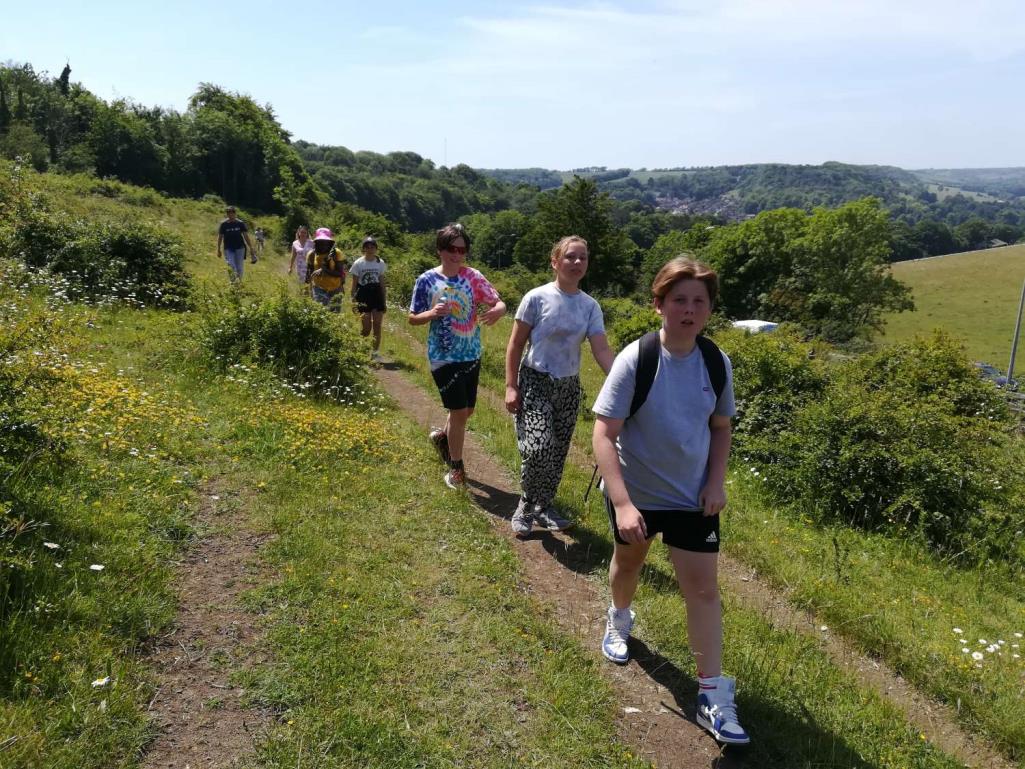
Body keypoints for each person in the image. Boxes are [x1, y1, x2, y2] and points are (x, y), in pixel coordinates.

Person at [591, 256, 749, 746]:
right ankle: (619, 619)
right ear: (659, 304)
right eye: (679, 299)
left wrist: (715, 483)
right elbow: (603, 433)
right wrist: (621, 504)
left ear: (708, 310)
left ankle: (711, 693)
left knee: (703, 590)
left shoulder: (715, 361)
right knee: (630, 563)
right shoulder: (636, 359)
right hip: (636, 494)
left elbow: (720, 429)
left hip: (691, 500)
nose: (689, 309)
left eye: (699, 301)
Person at [504, 235, 614, 536]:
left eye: (583, 257)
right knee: (538, 447)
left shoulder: (590, 306)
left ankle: (545, 506)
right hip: (534, 380)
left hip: (568, 386)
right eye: (570, 257)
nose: (577, 262)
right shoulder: (536, 297)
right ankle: (526, 505)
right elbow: (515, 344)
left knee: (557, 451)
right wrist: (511, 386)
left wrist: (622, 379)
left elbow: (601, 349)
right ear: (555, 262)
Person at [409, 223, 505, 489]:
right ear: (440, 249)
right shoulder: (427, 280)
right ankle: (456, 469)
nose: (458, 254)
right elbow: (413, 318)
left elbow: (497, 301)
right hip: (443, 356)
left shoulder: (473, 276)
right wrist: (431, 314)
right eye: (452, 248)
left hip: (471, 353)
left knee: (467, 410)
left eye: (463, 249)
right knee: (459, 411)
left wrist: (499, 309)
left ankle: (442, 438)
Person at [350, 236, 388, 361]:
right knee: (366, 328)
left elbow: (382, 282)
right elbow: (354, 284)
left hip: (376, 295)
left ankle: (375, 353)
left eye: (372, 247)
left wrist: (384, 300)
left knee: (377, 325)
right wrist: (353, 301)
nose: (370, 249)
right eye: (367, 247)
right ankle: (358, 348)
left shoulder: (380, 262)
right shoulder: (358, 263)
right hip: (363, 295)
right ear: (364, 249)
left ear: (376, 249)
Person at [308, 227, 347, 312]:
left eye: (325, 243)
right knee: (321, 313)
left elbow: (340, 273)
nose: (323, 245)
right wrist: (309, 290)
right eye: (320, 242)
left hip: (335, 288)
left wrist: (324, 270)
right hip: (319, 288)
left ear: (330, 243)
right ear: (316, 243)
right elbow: (310, 274)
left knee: (334, 315)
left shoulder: (336, 253)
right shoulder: (311, 254)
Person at [216, 206, 257, 281]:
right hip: (228, 248)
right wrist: (218, 249)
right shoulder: (223, 224)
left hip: (240, 248)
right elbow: (220, 237)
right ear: (227, 214)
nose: (231, 214)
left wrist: (250, 247)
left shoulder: (240, 223)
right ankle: (232, 282)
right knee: (231, 265)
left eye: (232, 212)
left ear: (235, 213)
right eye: (228, 213)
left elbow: (246, 236)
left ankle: (239, 284)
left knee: (239, 267)